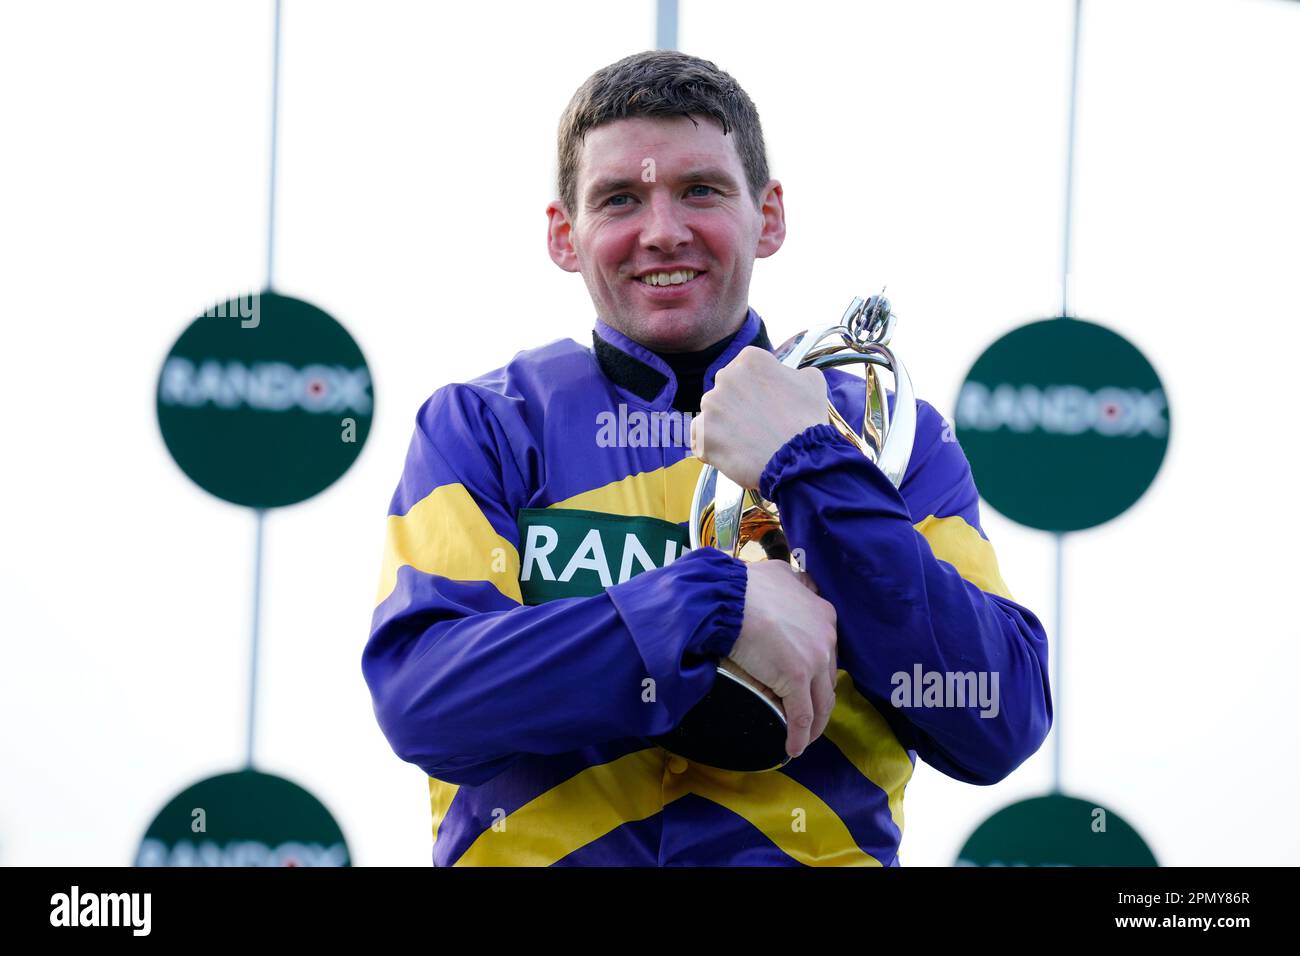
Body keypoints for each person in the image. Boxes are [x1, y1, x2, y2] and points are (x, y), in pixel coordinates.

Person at [362, 50, 1052, 867]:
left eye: (701, 190)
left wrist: (810, 465)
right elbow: (426, 700)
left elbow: (998, 717)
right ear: (563, 234)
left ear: (768, 216)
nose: (662, 231)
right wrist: (716, 606)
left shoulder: (889, 432)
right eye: (619, 199)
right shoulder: (484, 424)